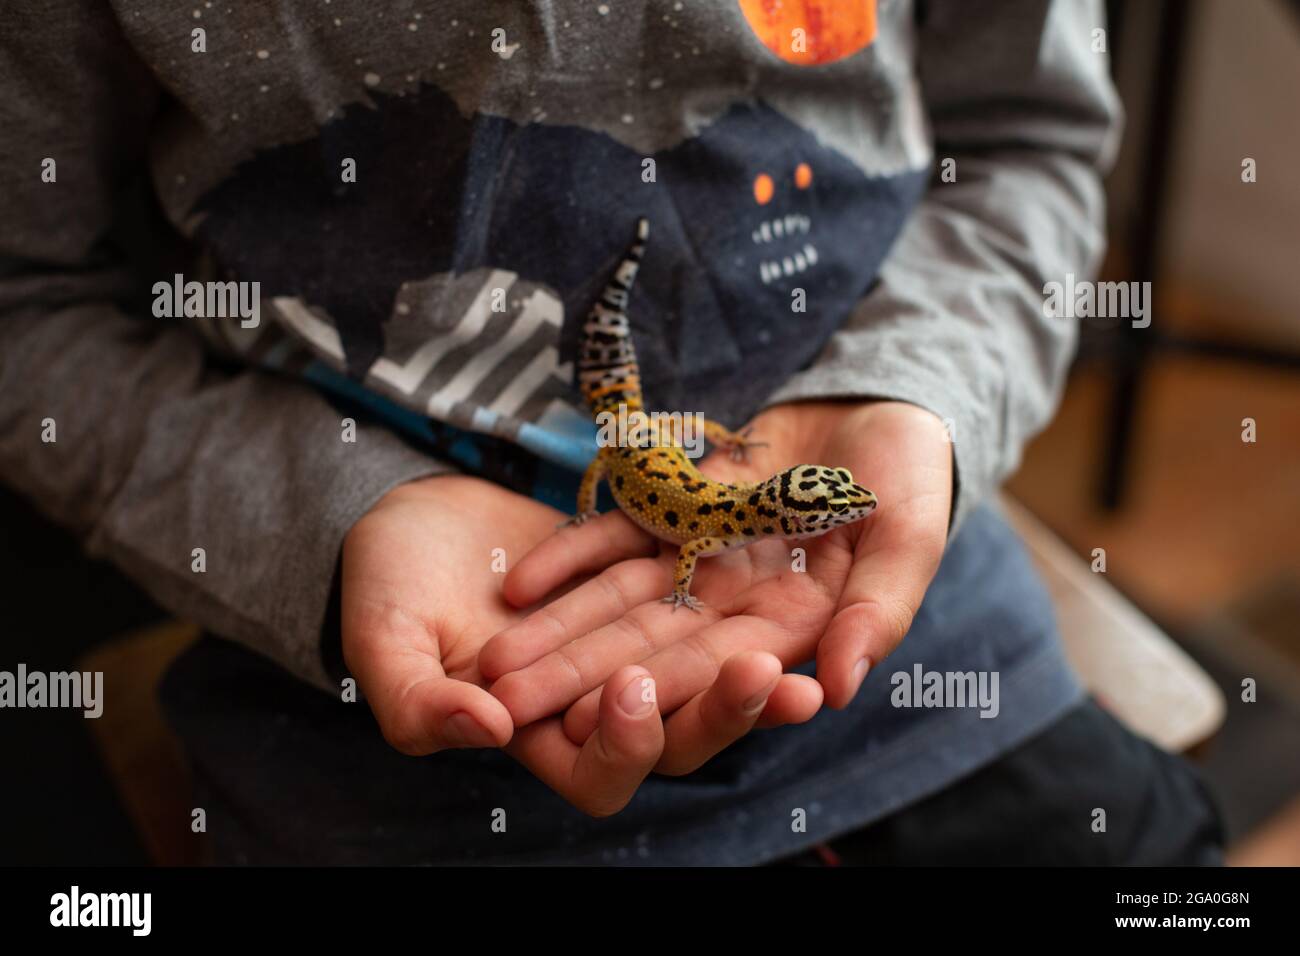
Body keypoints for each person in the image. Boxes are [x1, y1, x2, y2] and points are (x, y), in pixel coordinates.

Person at [0, 0, 1222, 864]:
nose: (807, 509)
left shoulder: (757, 520)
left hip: (921, 615)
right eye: (806, 506)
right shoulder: (710, 525)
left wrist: (909, 394)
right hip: (372, 682)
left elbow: (1027, 144)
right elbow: (28, 306)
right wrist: (334, 518)